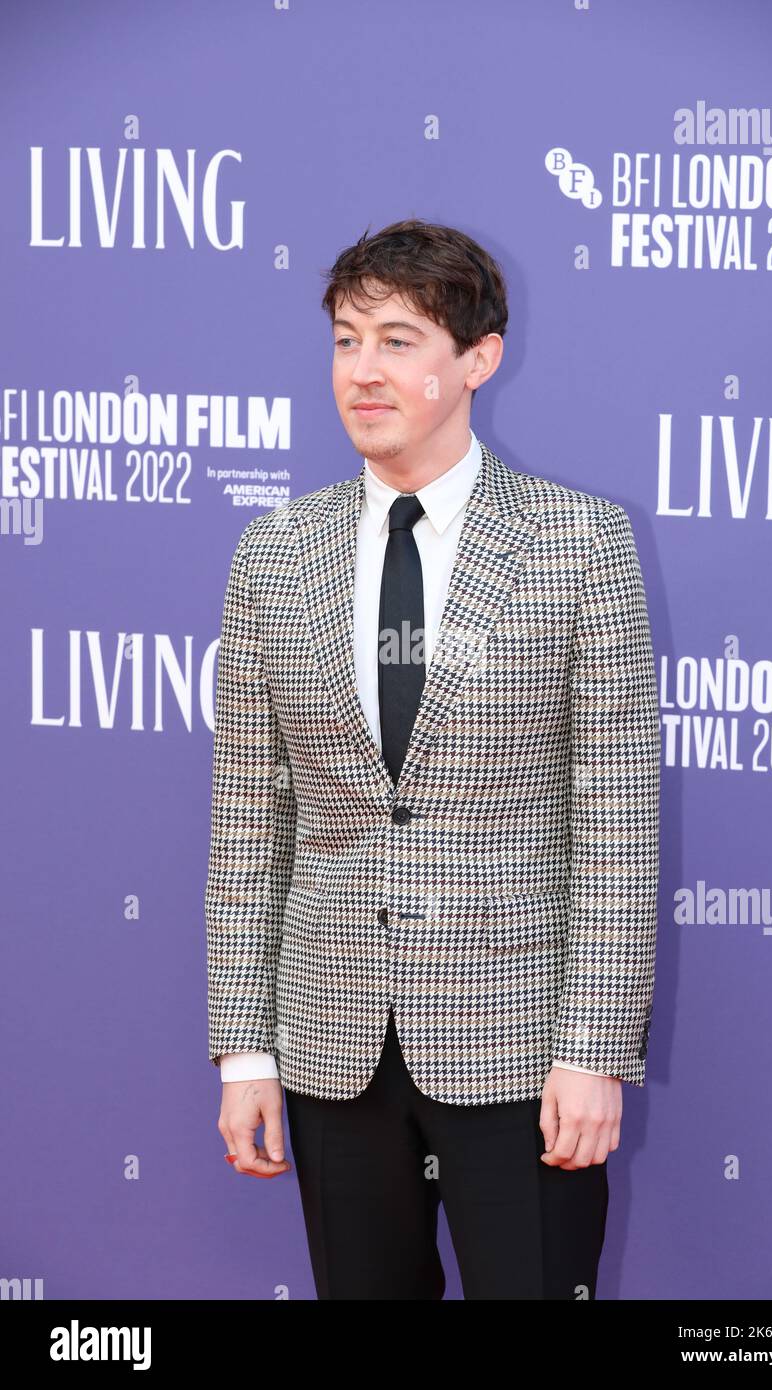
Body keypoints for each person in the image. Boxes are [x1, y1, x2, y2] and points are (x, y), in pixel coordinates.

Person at [204, 218, 660, 1300]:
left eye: (398, 340)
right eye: (346, 340)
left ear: (476, 360)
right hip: (330, 1045)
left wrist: (593, 1046)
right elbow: (247, 820)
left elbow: (616, 819)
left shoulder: (576, 542)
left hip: (522, 1052)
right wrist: (244, 1050)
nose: (363, 371)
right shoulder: (274, 551)